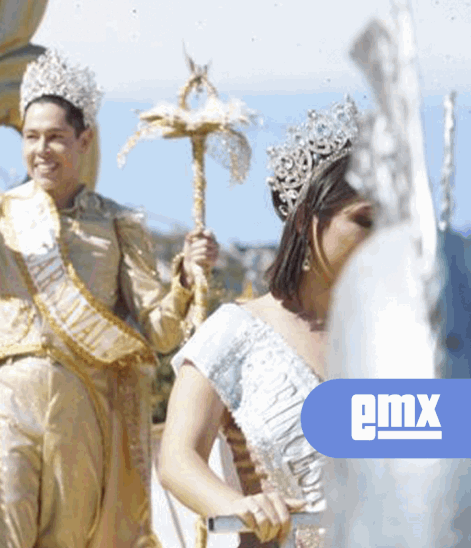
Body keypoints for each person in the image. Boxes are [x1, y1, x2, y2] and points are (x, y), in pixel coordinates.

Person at [0, 12, 218, 548]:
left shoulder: (119, 226)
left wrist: (188, 279)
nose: (41, 150)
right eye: (31, 137)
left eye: (55, 137)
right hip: (6, 401)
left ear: (84, 140)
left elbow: (162, 332)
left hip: (86, 407)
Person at [158, 98, 369, 548]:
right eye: (365, 221)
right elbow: (177, 458)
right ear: (307, 222)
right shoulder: (235, 331)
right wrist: (234, 504)